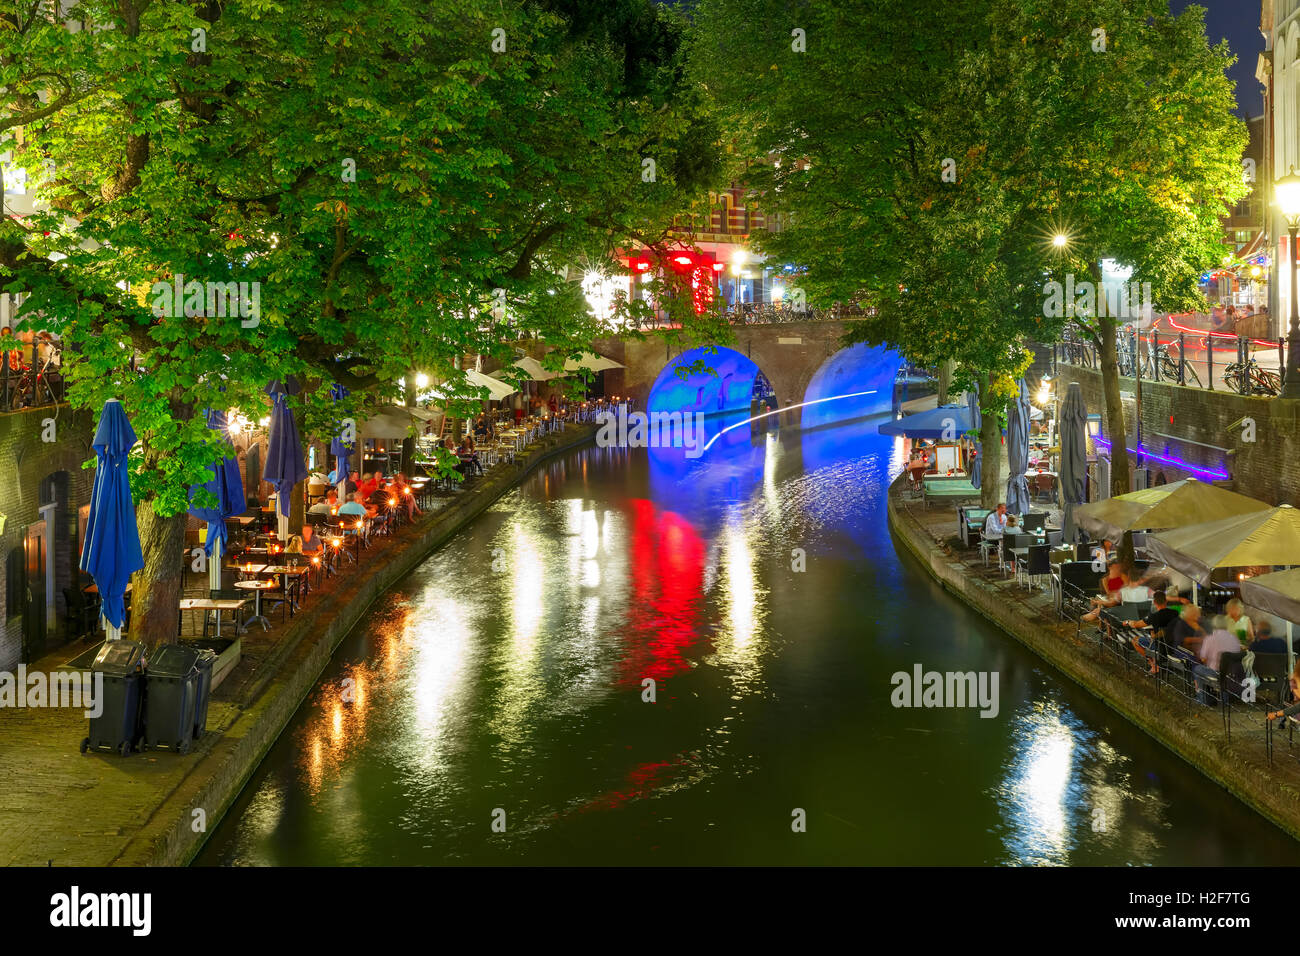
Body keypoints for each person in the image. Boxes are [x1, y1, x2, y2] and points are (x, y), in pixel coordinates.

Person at [1193, 615, 1241, 705]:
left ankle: (1202, 699)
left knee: (1198, 669)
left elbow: (1203, 658)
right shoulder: (1235, 639)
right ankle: (1224, 699)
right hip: (1232, 674)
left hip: (1216, 673)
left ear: (1213, 626)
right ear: (1226, 626)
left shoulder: (1210, 639)